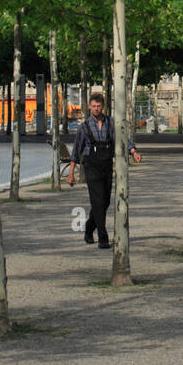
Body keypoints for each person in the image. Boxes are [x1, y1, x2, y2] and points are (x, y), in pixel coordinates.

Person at [68, 92, 141, 248]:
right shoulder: (84, 127)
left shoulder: (111, 123)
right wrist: (71, 174)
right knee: (97, 201)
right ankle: (103, 237)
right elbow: (76, 151)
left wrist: (133, 151)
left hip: (106, 165)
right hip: (91, 166)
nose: (96, 109)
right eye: (93, 106)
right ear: (89, 107)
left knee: (105, 202)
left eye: (99, 106)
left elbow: (122, 138)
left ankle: (88, 229)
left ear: (103, 107)